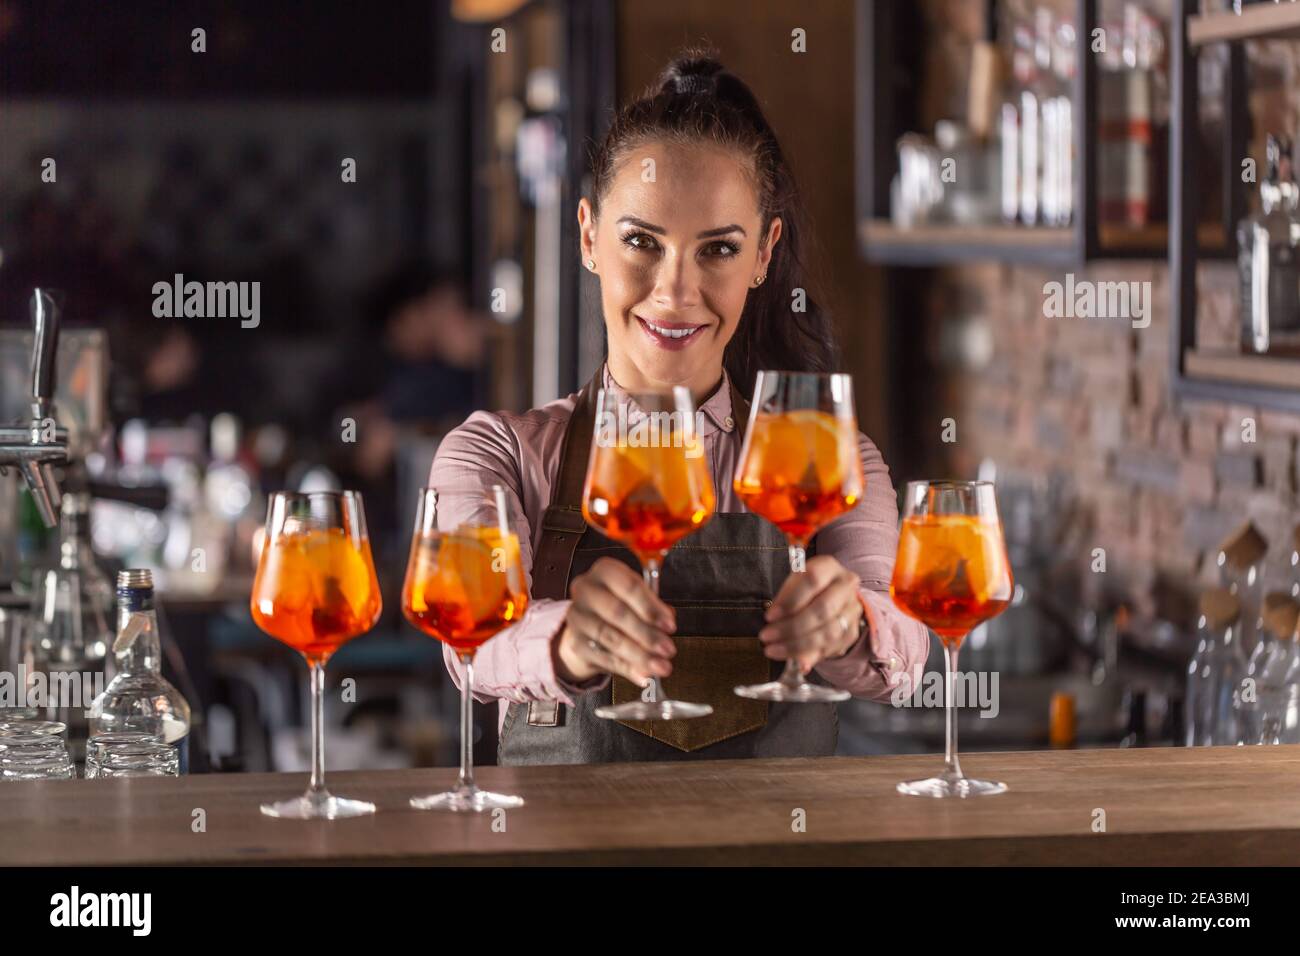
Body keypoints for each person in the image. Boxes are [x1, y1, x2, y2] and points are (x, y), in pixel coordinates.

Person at [428, 50, 929, 765]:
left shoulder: (829, 459)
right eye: (641, 241)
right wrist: (566, 640)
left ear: (763, 254)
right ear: (587, 236)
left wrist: (850, 622)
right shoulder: (496, 455)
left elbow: (904, 657)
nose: (675, 291)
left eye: (718, 249)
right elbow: (471, 648)